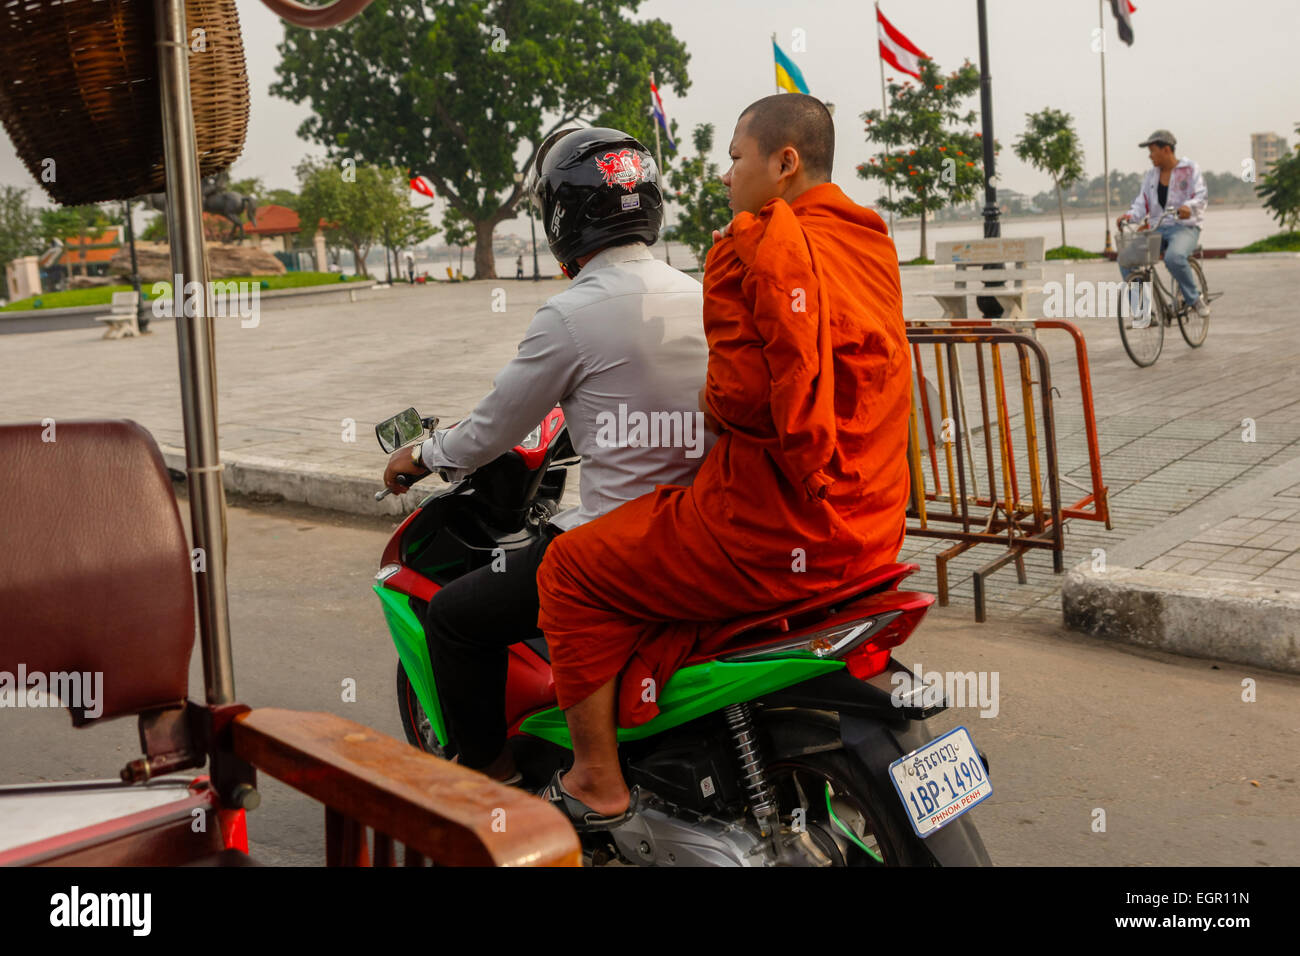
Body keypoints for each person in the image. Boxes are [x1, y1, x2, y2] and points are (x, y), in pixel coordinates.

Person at [535, 93, 913, 827]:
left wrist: (709, 407)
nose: (726, 175)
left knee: (568, 569)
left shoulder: (753, 246)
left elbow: (745, 404)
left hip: (776, 528)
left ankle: (595, 780)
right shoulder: (868, 240)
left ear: (784, 162)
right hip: (872, 526)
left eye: (736, 157)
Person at [381, 127, 713, 785]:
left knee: (454, 619)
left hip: (620, 545)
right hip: (701, 529)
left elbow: (489, 430)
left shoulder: (571, 314)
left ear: (562, 215)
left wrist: (424, 454)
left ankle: (492, 783)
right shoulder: (698, 293)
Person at [1117, 129, 1209, 328]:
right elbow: (1142, 202)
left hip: (1184, 227)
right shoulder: (1151, 176)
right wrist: (1130, 216)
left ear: (1166, 149)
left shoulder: (1190, 169)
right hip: (1158, 227)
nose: (1150, 156)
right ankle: (1144, 314)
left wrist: (1189, 207)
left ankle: (1194, 299)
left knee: (1174, 258)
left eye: (1152, 151)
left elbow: (1201, 196)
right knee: (1127, 260)